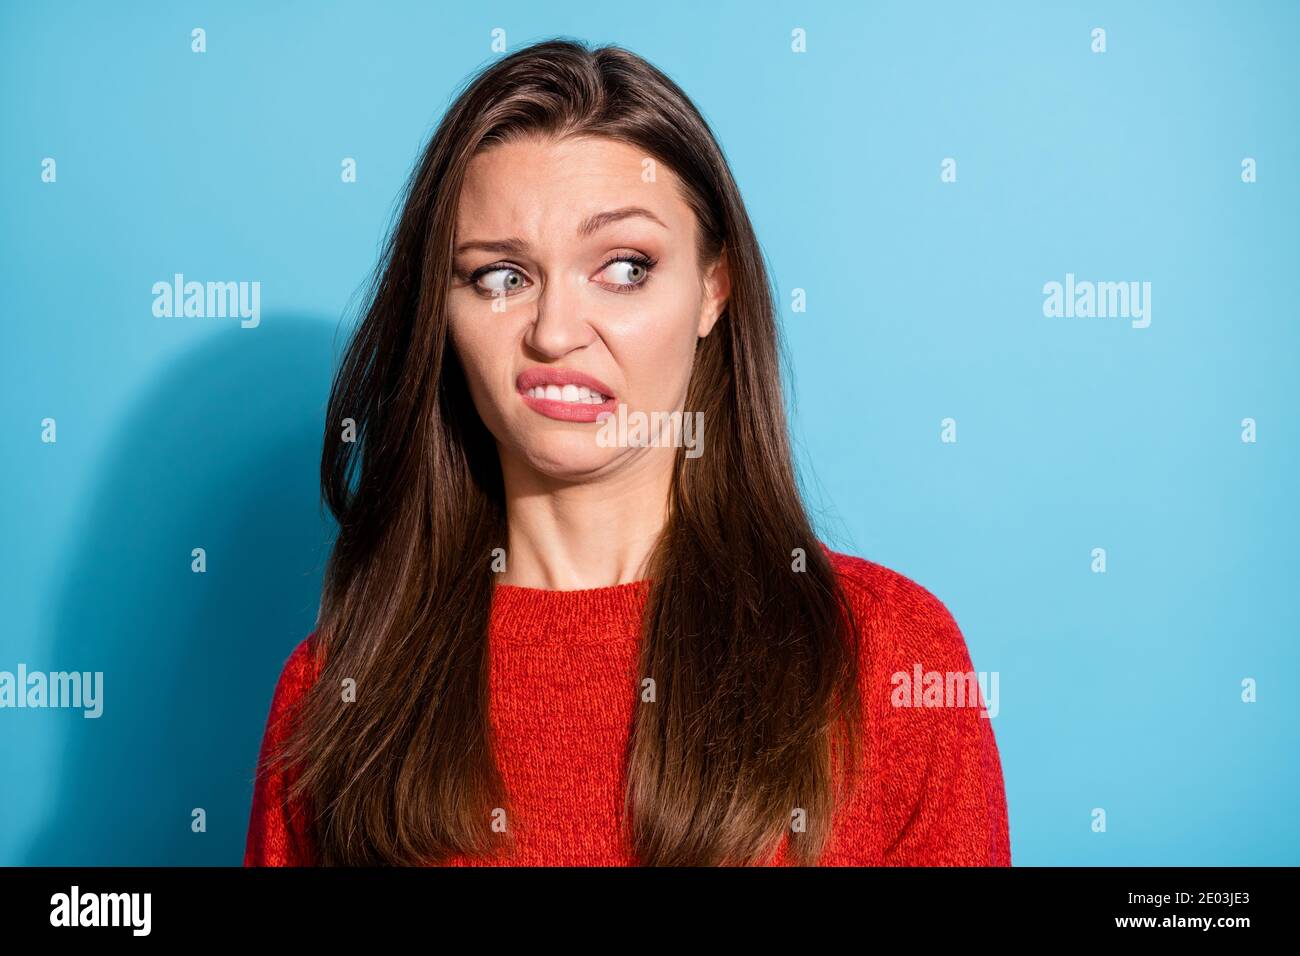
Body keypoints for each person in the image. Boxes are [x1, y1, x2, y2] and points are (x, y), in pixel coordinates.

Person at [244, 37, 1010, 867]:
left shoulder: (889, 656)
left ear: (713, 289)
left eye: (623, 267)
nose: (555, 331)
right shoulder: (337, 693)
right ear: (444, 311)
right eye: (501, 276)